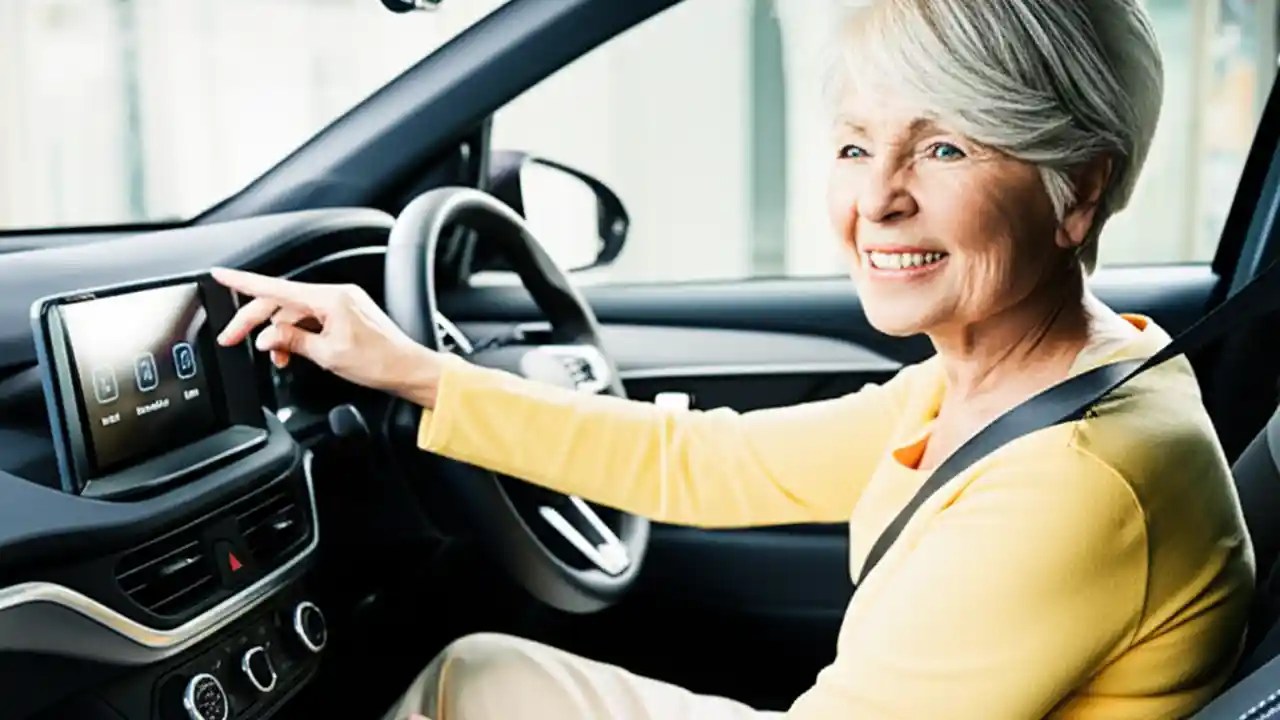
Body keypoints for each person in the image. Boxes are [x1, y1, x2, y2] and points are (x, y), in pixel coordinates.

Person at [212, 0, 1256, 717]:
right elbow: (712, 463)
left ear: (1075, 190)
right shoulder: (1054, 369)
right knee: (476, 678)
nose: (875, 197)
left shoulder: (1073, 487)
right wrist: (421, 373)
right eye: (856, 144)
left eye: (945, 147)